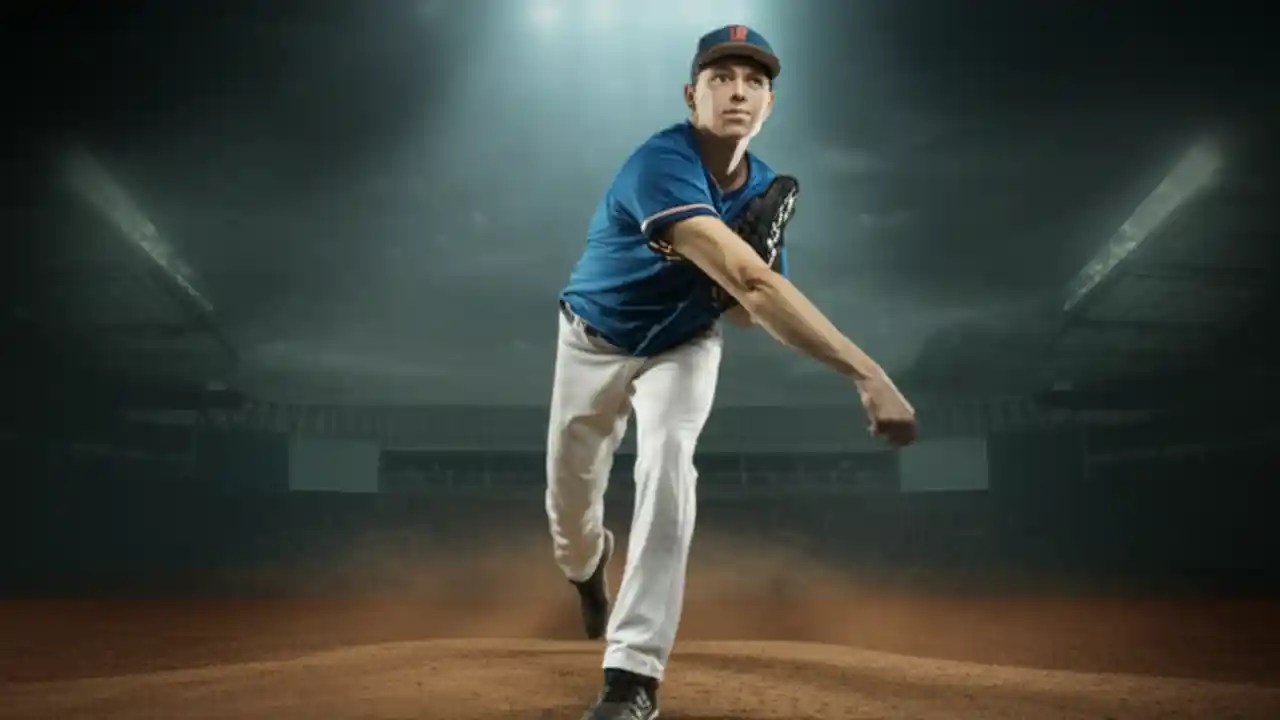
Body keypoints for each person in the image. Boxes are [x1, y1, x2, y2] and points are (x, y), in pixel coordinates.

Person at [545, 24, 917, 720]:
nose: (738, 90)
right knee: (569, 515)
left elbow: (751, 310)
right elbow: (752, 284)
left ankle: (632, 675)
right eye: (721, 77)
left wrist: (750, 280)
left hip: (683, 346)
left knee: (668, 460)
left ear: (770, 104)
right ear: (692, 95)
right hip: (591, 341)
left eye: (754, 80)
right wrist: (867, 371)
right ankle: (588, 569)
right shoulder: (659, 163)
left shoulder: (764, 188)